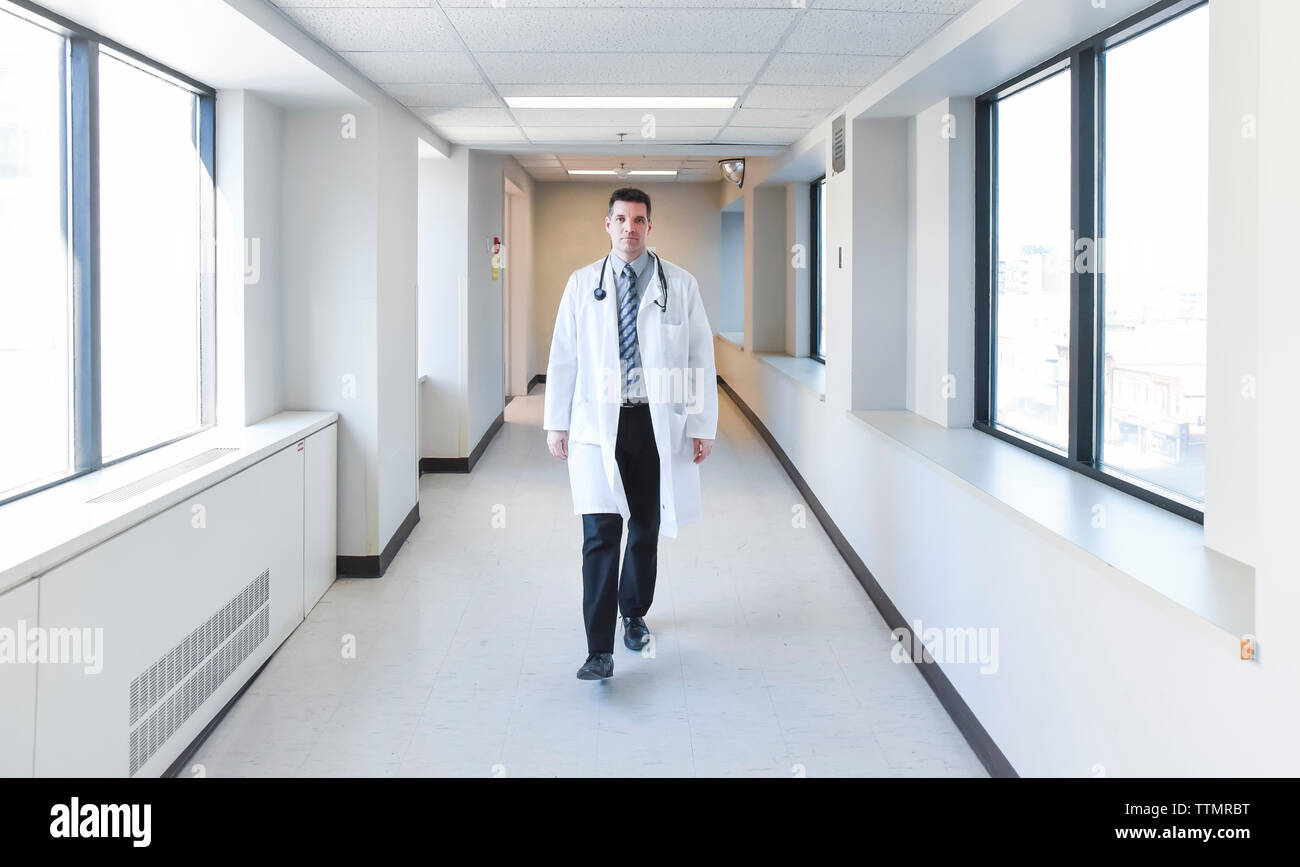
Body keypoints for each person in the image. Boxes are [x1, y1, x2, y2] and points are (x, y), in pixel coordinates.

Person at [543, 187, 718, 680]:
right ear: (608, 224)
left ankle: (634, 613)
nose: (629, 229)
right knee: (600, 532)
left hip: (652, 422)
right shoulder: (582, 285)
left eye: (639, 220)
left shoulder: (679, 285)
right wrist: (557, 422)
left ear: (649, 225)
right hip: (598, 425)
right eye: (620, 219)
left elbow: (700, 360)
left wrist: (702, 424)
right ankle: (598, 648)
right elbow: (564, 356)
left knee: (644, 525)